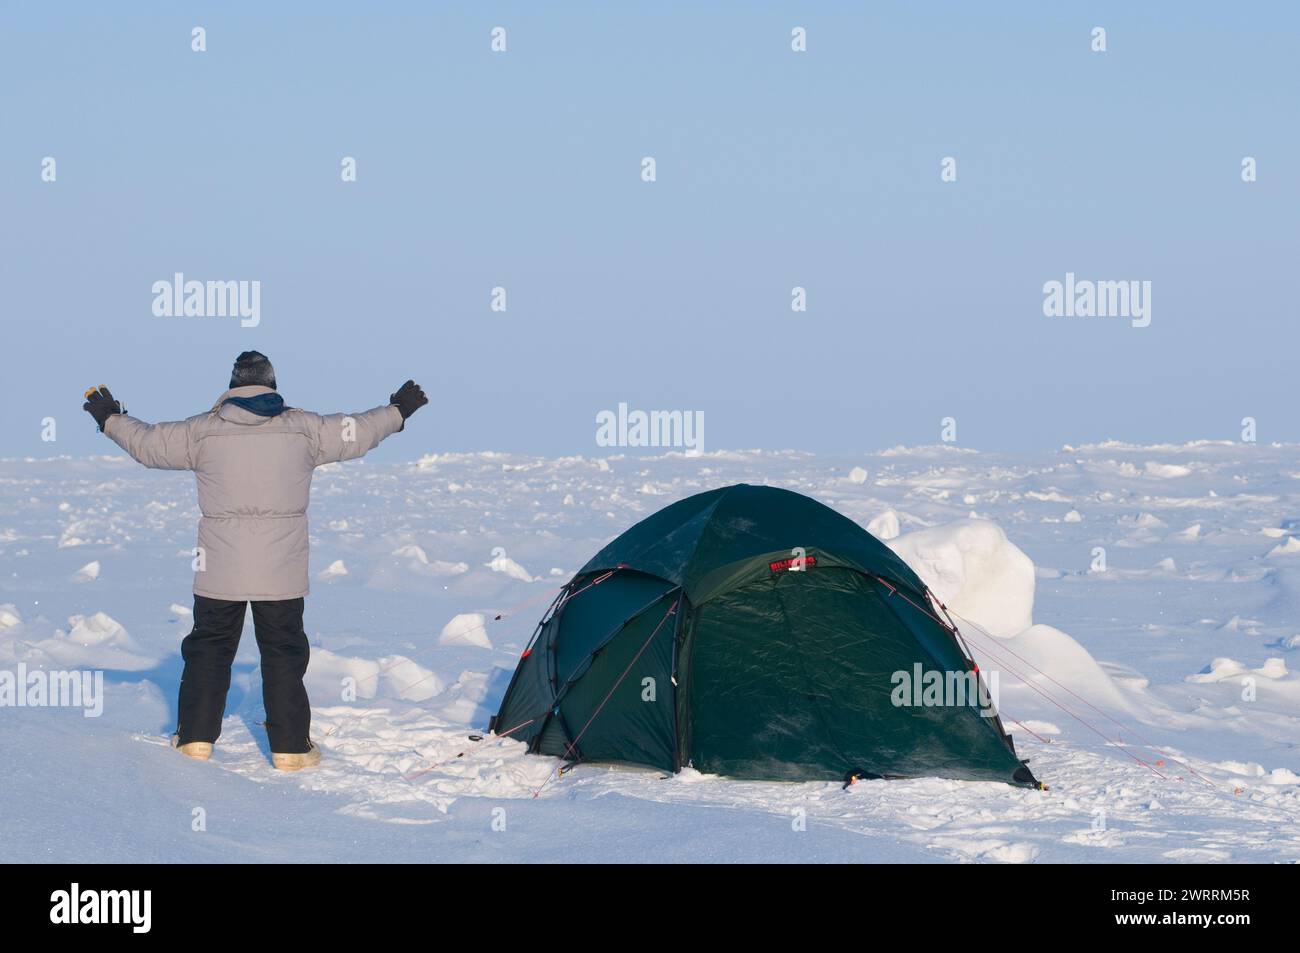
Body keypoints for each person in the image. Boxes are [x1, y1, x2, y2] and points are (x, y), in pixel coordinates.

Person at [82, 351, 428, 770]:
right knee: (282, 652)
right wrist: (397, 410)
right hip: (280, 568)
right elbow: (359, 431)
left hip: (219, 567)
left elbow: (148, 443)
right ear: (272, 384)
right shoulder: (305, 429)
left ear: (232, 384)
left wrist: (111, 418)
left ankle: (194, 740)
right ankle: (291, 749)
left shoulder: (201, 431)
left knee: (209, 649)